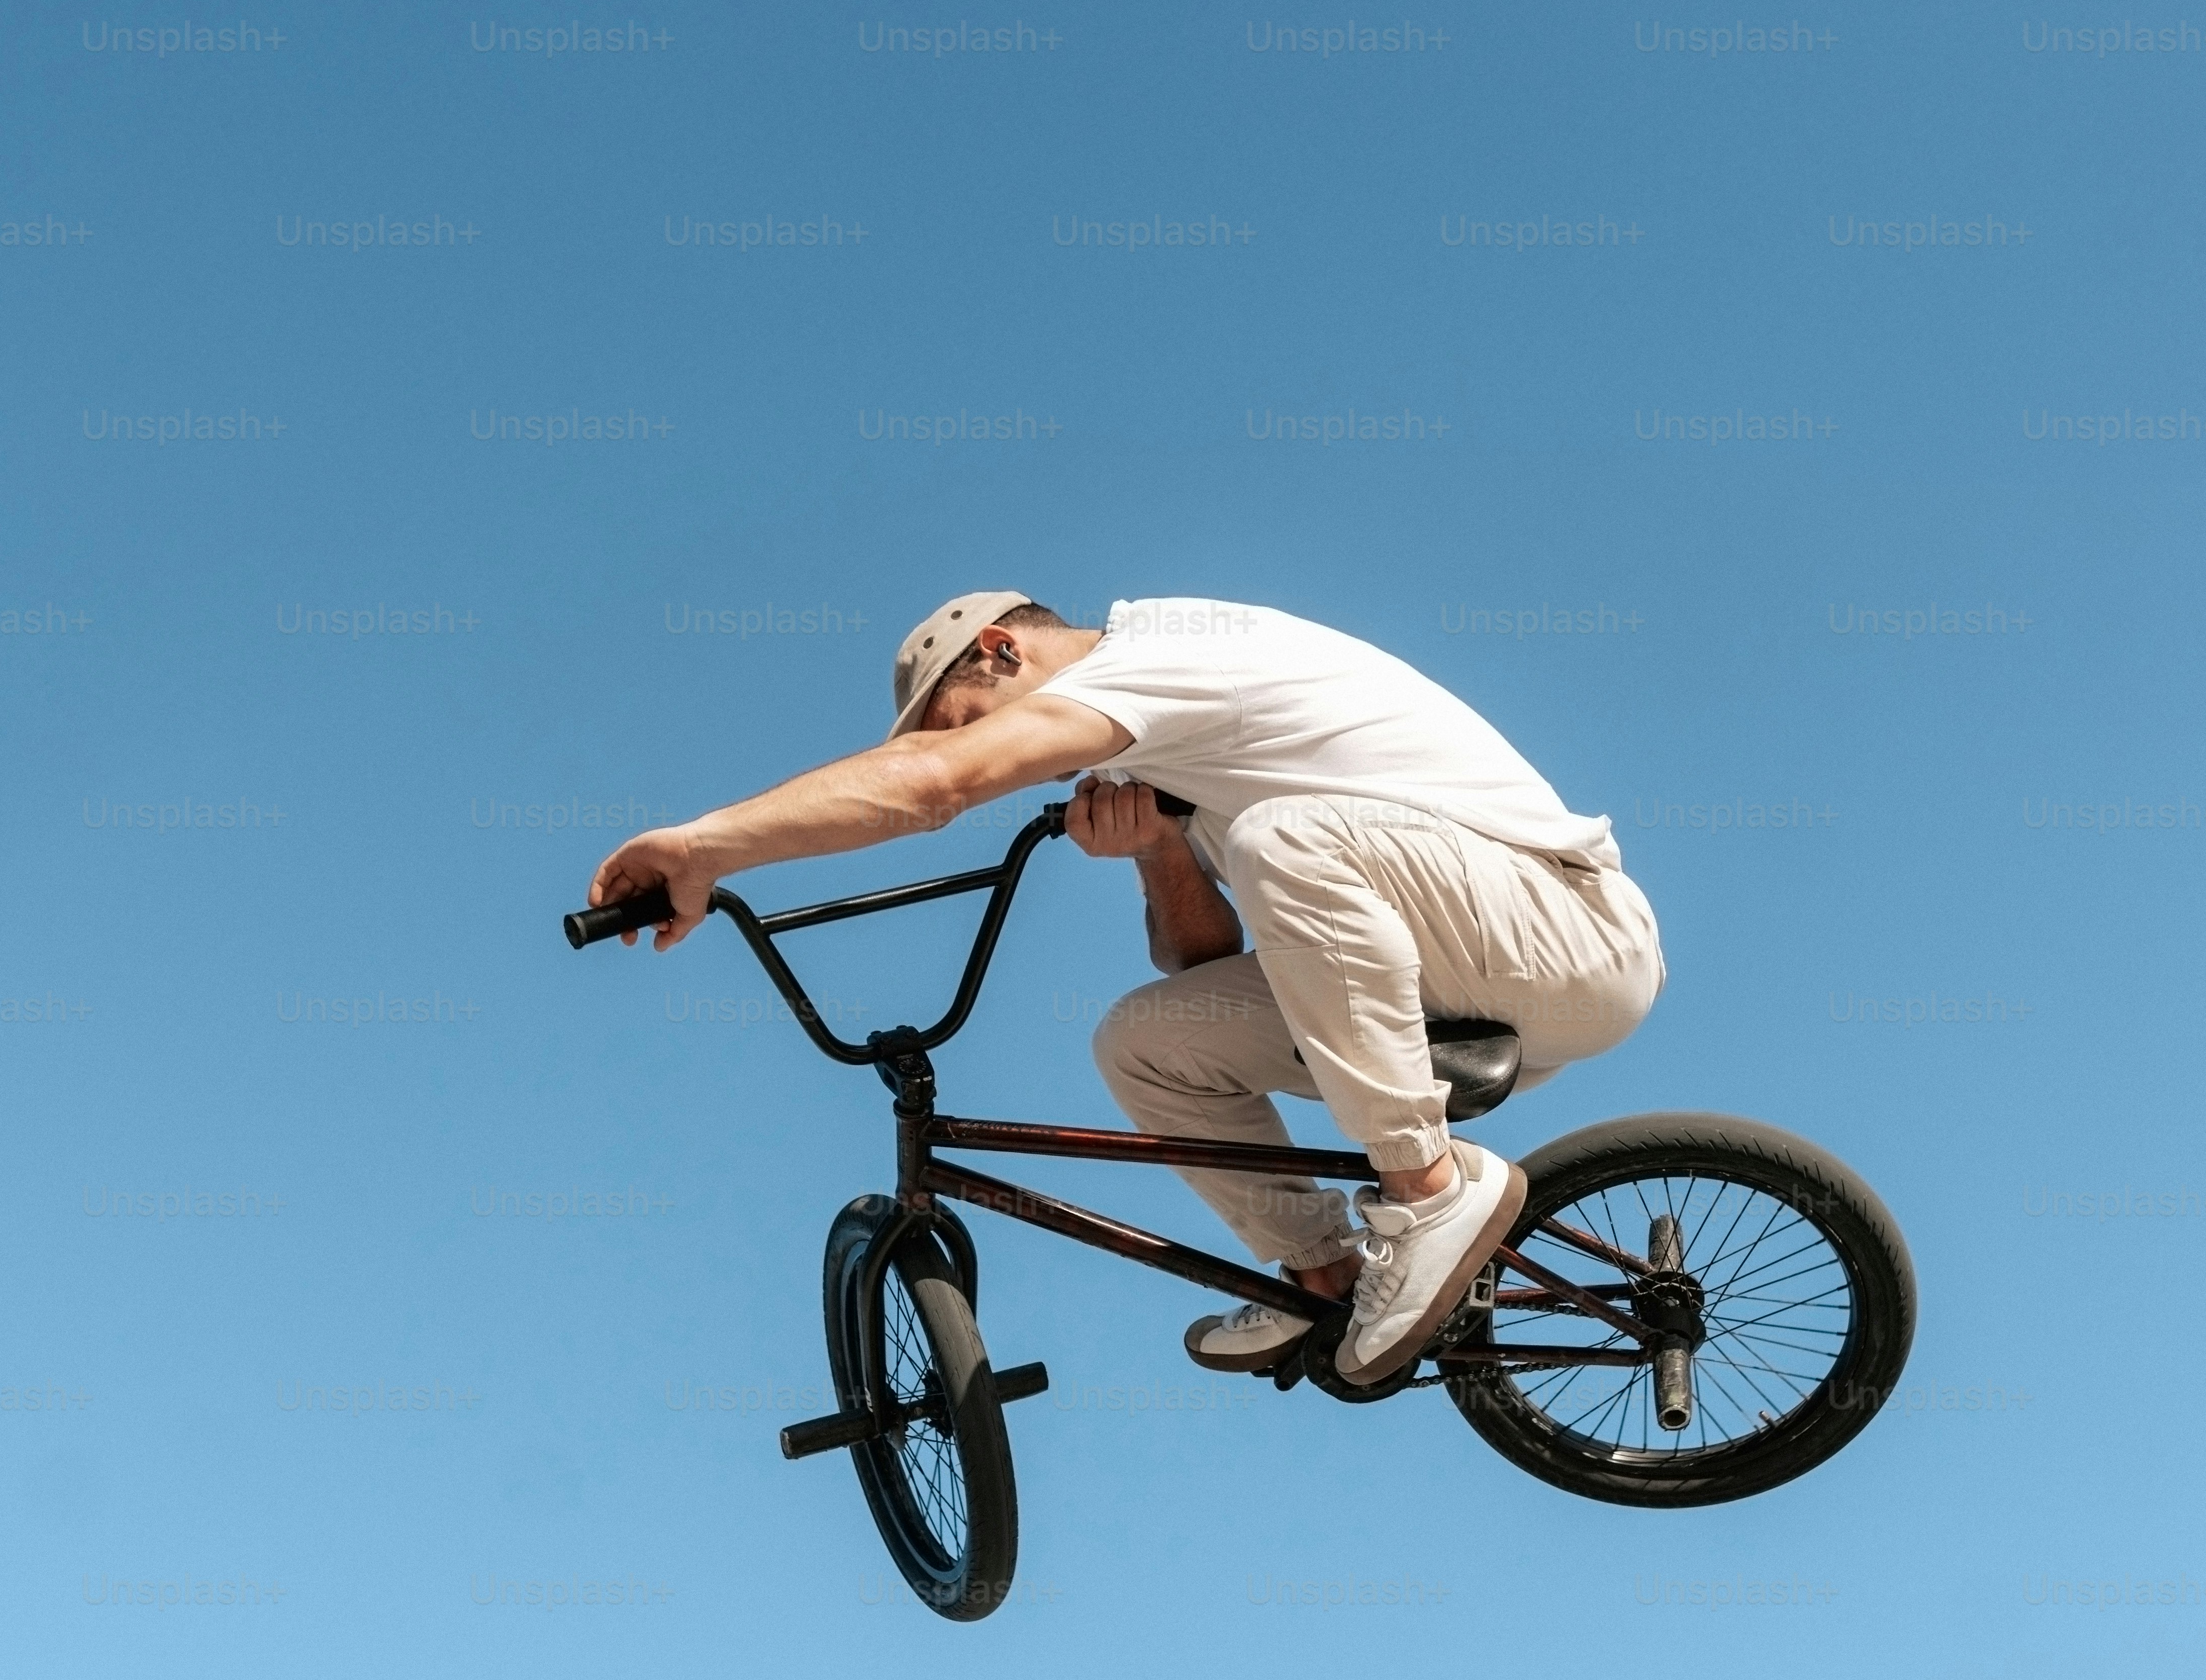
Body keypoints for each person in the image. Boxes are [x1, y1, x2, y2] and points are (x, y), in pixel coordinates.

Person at [587, 591, 1663, 1385]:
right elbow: (1222, 964)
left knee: (1290, 836)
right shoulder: (1174, 749)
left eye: (970, 717)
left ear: (1001, 650)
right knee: (1147, 1038)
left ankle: (1430, 1195)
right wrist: (1160, 848)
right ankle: (1321, 1279)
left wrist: (705, 845)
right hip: (1444, 964)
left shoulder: (1163, 655)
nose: (1018, 762)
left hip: (1564, 931)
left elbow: (931, 791)